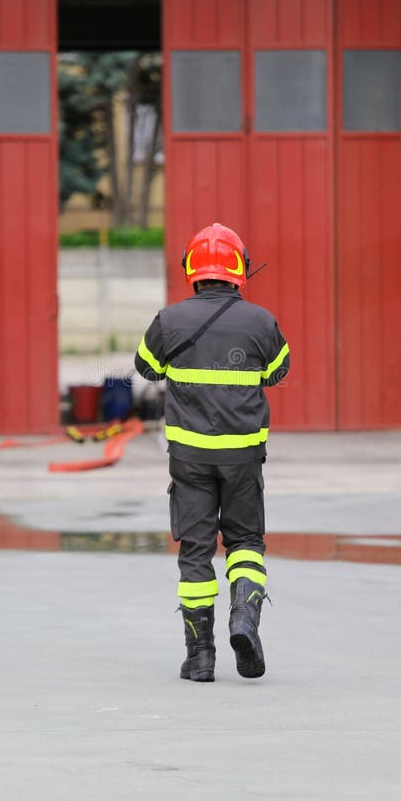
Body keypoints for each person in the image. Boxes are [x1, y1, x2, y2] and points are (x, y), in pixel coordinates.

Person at [134, 223, 290, 682]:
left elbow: (145, 367)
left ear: (192, 269)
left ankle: (200, 657)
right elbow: (279, 372)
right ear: (240, 267)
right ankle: (244, 618)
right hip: (243, 457)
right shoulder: (261, 321)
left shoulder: (169, 319)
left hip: (190, 459)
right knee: (245, 543)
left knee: (196, 552)